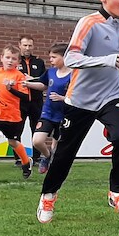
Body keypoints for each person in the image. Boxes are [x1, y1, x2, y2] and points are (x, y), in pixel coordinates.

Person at [36, 0, 119, 222]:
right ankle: (48, 196)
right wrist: (106, 60)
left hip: (110, 96)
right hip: (80, 99)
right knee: (65, 153)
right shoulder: (89, 23)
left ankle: (118, 192)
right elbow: (71, 59)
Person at [0, 45, 43, 181]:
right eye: (7, 57)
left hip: (11, 116)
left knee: (13, 142)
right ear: (2, 58)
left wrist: (11, 89)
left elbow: (25, 97)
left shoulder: (19, 76)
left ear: (18, 62)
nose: (10, 61)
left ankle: (26, 163)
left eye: (14, 59)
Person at [32, 43, 71, 174]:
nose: (51, 60)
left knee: (57, 145)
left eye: (54, 57)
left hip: (64, 115)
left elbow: (77, 96)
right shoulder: (50, 72)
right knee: (37, 141)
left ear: (65, 57)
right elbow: (43, 85)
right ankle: (46, 156)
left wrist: (62, 98)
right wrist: (27, 84)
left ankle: (53, 163)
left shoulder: (74, 75)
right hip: (48, 113)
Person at [17, 35, 49, 164]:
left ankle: (35, 158)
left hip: (36, 102)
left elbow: (43, 80)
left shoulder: (39, 62)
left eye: (30, 45)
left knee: (36, 129)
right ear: (19, 45)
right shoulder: (15, 61)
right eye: (25, 45)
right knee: (17, 129)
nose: (27, 48)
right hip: (20, 101)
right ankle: (19, 158)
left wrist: (32, 79)